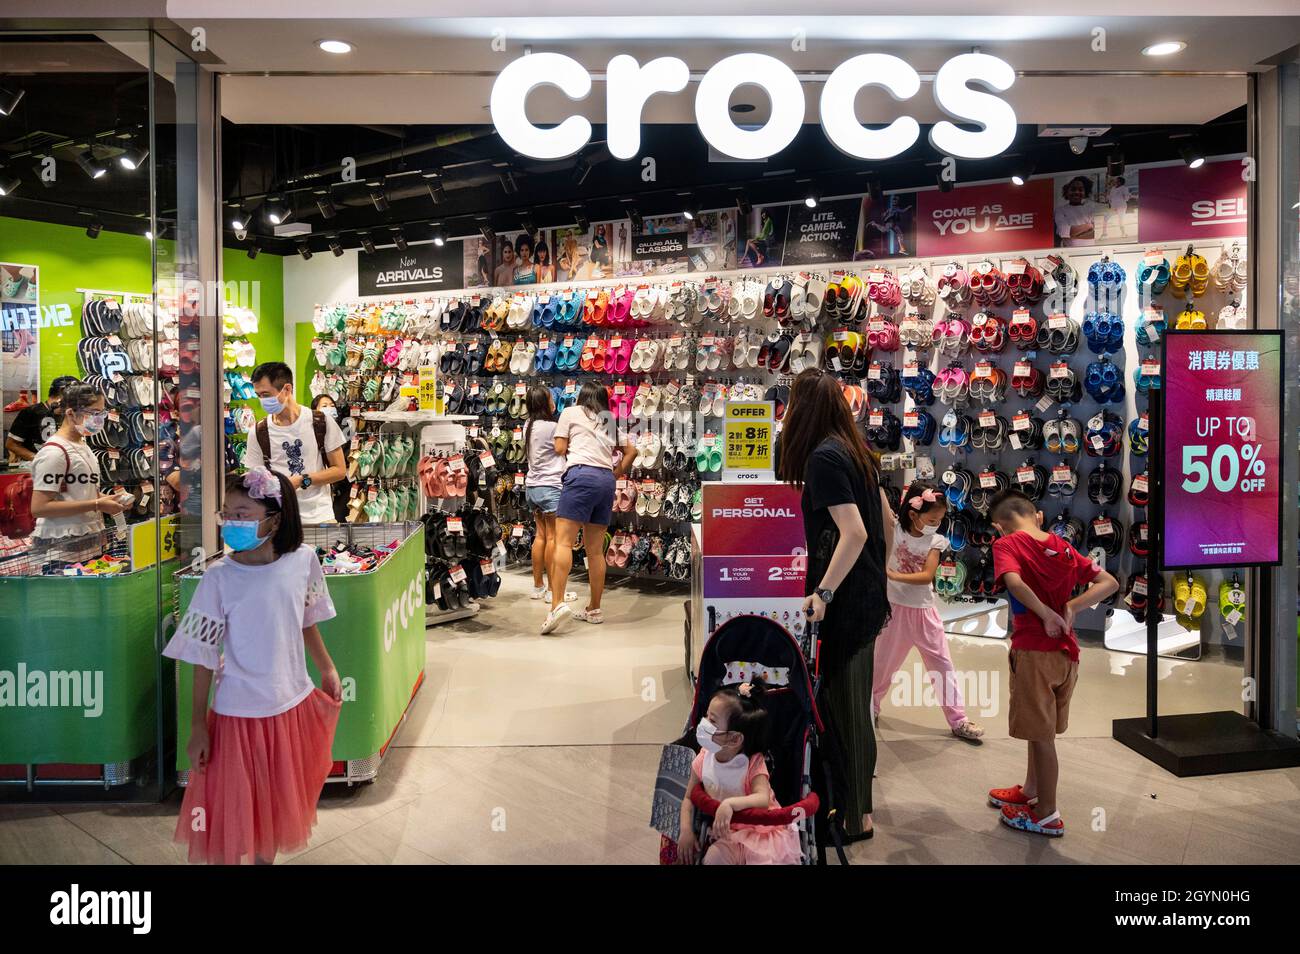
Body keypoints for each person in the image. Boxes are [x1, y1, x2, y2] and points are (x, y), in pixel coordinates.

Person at [163, 469, 342, 865]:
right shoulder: (218, 579)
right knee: (234, 811)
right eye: (227, 513)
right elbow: (201, 655)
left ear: (274, 518)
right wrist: (197, 725)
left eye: (243, 513)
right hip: (236, 714)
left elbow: (306, 618)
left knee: (276, 808)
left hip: (290, 704)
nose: (232, 522)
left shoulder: (303, 561)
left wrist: (327, 668)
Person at [777, 368, 893, 842]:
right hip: (863, 594)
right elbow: (884, 518)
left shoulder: (824, 459)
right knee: (849, 708)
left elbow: (857, 531)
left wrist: (824, 592)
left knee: (845, 712)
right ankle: (852, 807)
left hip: (845, 602)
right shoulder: (855, 451)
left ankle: (856, 818)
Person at [987, 489, 1118, 838]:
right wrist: (1072, 607)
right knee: (1040, 729)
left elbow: (1013, 582)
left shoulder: (1006, 545)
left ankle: (1046, 813)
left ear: (999, 527)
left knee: (1042, 737)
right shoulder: (1063, 547)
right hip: (1067, 654)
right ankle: (1031, 790)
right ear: (1039, 516)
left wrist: (1044, 614)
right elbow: (1109, 582)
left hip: (1034, 652)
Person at [873, 481, 984, 740]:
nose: (937, 523)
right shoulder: (895, 528)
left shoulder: (936, 540)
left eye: (941, 519)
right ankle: (871, 708)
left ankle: (959, 720)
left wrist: (891, 574)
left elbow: (927, 576)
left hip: (923, 612)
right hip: (893, 611)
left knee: (942, 665)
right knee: (882, 666)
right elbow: (880, 505)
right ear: (913, 514)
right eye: (933, 518)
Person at [541, 381, 637, 635]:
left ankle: (556, 605)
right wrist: (614, 474)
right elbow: (632, 451)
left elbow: (560, 447)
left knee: (563, 543)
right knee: (594, 551)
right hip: (605, 481)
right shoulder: (608, 419)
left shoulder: (571, 412)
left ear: (581, 397)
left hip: (580, 475)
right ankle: (594, 608)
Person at [676, 680, 801, 865]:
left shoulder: (752, 763)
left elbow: (762, 799)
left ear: (735, 739)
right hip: (728, 835)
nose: (703, 724)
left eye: (712, 720)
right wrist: (686, 830)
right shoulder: (703, 758)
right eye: (706, 716)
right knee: (712, 860)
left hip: (763, 833)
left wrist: (730, 804)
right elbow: (688, 798)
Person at [28, 382, 125, 564]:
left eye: (101, 413)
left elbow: (81, 492)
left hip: (87, 545)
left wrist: (110, 500)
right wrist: (96, 504)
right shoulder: (54, 453)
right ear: (71, 413)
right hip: (60, 552)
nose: (99, 419)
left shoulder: (83, 445)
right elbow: (39, 507)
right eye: (93, 413)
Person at [244, 361, 346, 525]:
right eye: (258, 395)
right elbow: (255, 480)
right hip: (278, 521)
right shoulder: (258, 431)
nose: (262, 401)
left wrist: (302, 480)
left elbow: (340, 470)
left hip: (320, 517)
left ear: (287, 389)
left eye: (266, 394)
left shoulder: (321, 422)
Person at [523, 384, 574, 603]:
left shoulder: (527, 425)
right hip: (551, 487)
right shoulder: (553, 427)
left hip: (532, 486)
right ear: (546, 404)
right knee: (554, 537)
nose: (554, 402)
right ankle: (554, 591)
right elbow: (564, 448)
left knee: (540, 536)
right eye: (551, 399)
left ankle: (538, 586)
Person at [5, 374, 78, 462]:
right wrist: (39, 460)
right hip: (37, 468)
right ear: (64, 391)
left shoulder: (71, 414)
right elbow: (11, 444)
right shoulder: (31, 412)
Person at [311, 394, 351, 523]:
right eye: (325, 406)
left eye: (332, 406)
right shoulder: (311, 431)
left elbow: (342, 465)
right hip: (319, 486)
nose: (330, 408)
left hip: (341, 485)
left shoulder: (344, 428)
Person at [1054, 176, 1096, 247]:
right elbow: (1062, 231)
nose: (1076, 192)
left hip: (1091, 251)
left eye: (1080, 190)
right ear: (1067, 191)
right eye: (1073, 189)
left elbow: (1094, 234)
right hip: (1070, 253)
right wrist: (1088, 226)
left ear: (1085, 193)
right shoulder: (1060, 210)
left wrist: (1071, 233)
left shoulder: (1090, 209)